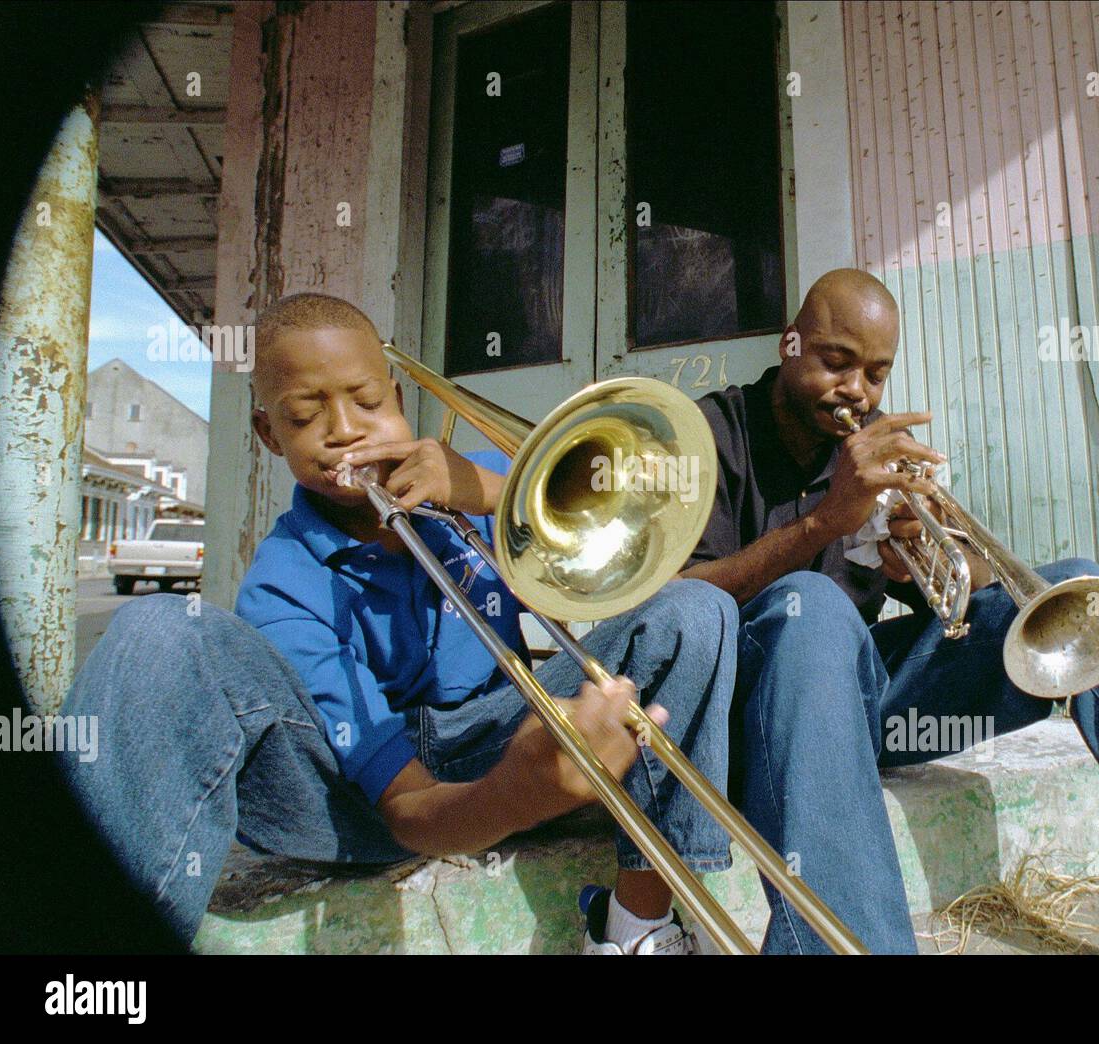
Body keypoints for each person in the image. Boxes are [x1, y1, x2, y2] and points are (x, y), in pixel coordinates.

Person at [59, 292, 744, 956]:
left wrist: (495, 492)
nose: (345, 429)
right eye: (304, 415)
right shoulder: (282, 583)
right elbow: (403, 805)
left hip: (492, 734)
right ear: (269, 434)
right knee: (157, 629)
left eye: (367, 401)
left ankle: (634, 930)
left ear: (399, 394)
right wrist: (514, 797)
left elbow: (634, 586)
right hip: (353, 802)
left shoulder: (482, 489)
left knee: (696, 609)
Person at [679, 268, 1099, 954]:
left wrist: (926, 555)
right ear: (790, 343)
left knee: (1083, 595)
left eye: (876, 374)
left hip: (863, 706)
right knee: (811, 605)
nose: (856, 390)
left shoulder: (874, 444)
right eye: (836, 362)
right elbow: (681, 601)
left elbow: (968, 588)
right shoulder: (709, 433)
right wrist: (823, 524)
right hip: (745, 721)